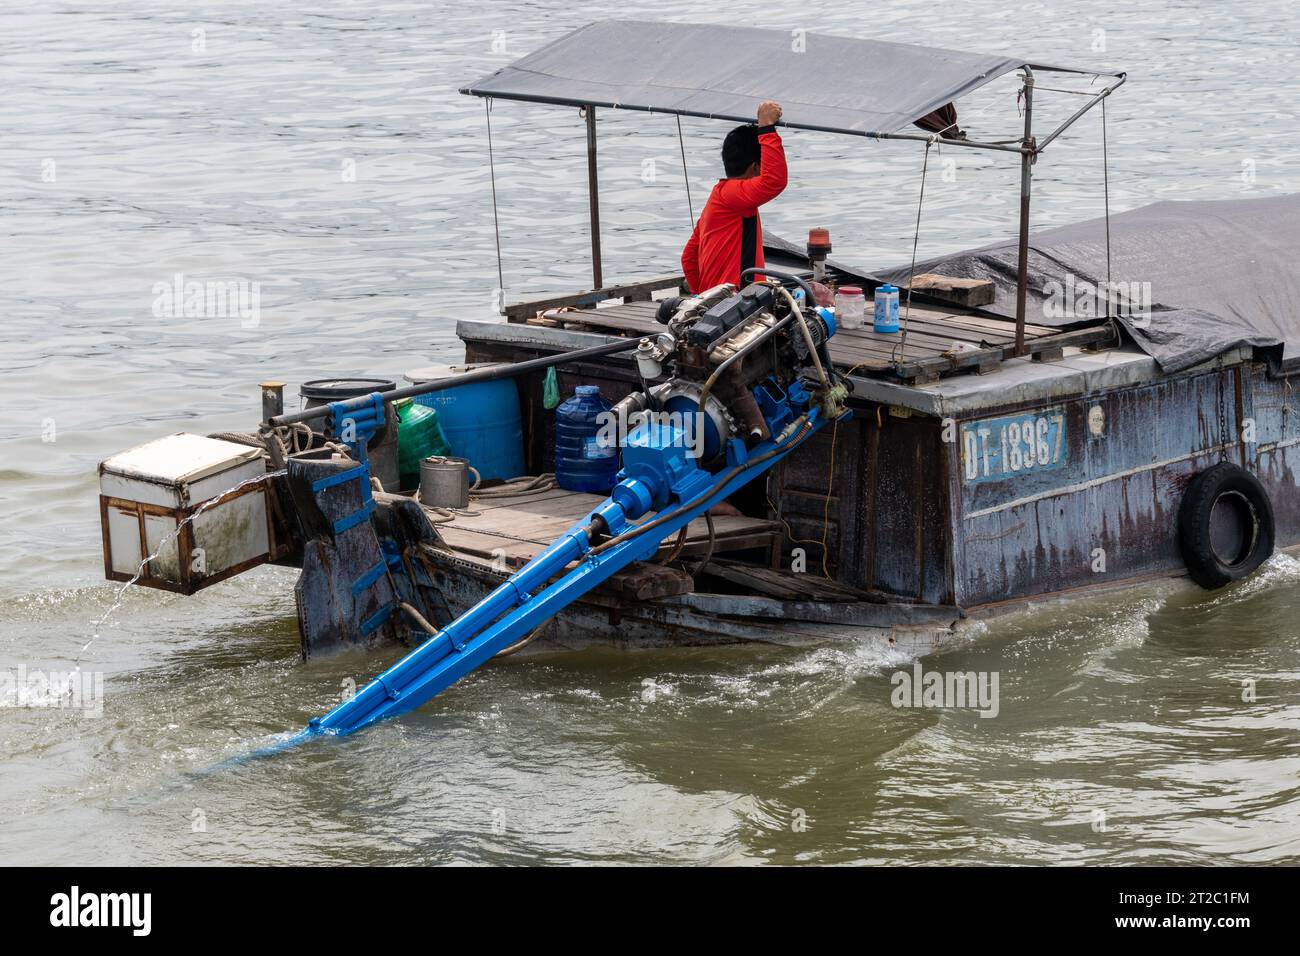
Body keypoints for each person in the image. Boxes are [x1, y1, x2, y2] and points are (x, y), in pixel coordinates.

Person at [681, 100, 787, 293]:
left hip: (715, 305)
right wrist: (766, 129)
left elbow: (689, 258)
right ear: (755, 168)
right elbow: (773, 181)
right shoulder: (734, 195)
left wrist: (703, 297)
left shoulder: (718, 197)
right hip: (739, 305)